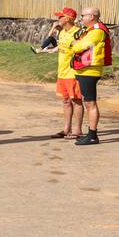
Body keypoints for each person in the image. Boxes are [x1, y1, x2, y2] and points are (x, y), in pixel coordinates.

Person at [36, 8, 83, 139]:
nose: (58, 19)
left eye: (60, 17)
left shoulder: (77, 33)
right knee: (66, 101)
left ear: (67, 19)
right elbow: (51, 41)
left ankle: (77, 131)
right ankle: (66, 129)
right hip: (62, 72)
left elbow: (83, 49)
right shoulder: (62, 32)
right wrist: (53, 30)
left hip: (73, 72)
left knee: (77, 101)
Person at [69, 6, 109, 146]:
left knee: (90, 103)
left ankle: (92, 135)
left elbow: (81, 46)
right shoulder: (90, 30)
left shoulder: (97, 30)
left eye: (83, 15)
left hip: (90, 71)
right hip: (84, 70)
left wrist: (75, 45)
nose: (81, 18)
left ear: (92, 17)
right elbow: (79, 41)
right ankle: (90, 134)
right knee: (88, 102)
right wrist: (76, 43)